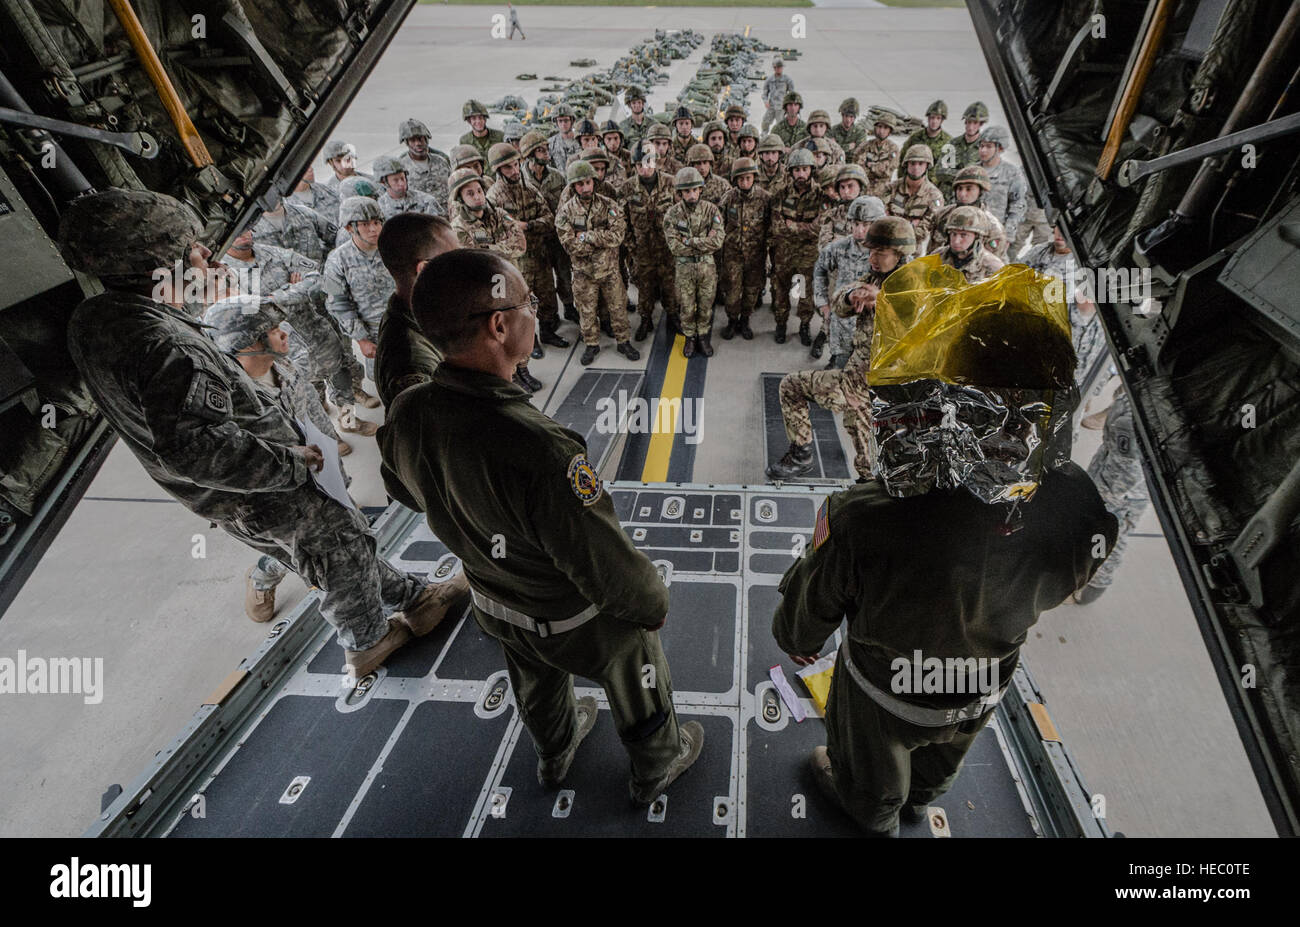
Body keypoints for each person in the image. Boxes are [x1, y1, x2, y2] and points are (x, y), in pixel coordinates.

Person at [58, 189, 466, 675]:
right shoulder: (163, 346)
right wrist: (294, 460)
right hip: (267, 486)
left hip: (234, 495)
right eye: (192, 249)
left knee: (334, 551)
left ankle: (410, 596)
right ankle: (369, 641)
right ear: (157, 264)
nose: (207, 255)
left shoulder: (98, 320)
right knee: (341, 544)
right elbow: (194, 449)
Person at [772, 294, 1117, 836]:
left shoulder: (866, 514)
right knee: (942, 763)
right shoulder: (1079, 509)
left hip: (886, 696)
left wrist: (798, 636)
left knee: (871, 782)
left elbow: (808, 613)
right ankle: (922, 797)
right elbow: (1066, 584)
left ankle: (874, 810)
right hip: (982, 688)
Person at [378, 249, 703, 803]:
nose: (534, 311)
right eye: (527, 302)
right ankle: (658, 762)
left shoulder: (408, 412)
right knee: (636, 667)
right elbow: (608, 566)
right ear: (500, 326)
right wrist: (652, 605)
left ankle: (554, 753)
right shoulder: (540, 449)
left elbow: (401, 488)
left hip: (495, 604)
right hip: (572, 616)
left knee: (534, 677)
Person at [769, 215, 914, 482]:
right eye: (871, 251)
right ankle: (862, 475)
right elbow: (839, 303)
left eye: (880, 252)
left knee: (792, 386)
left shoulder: (915, 286)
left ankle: (806, 457)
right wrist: (852, 297)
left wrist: (883, 301)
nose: (872, 257)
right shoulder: (875, 277)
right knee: (859, 434)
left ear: (899, 254)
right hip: (857, 378)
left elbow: (921, 319)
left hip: (880, 385)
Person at [220, 220, 376, 438]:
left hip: (316, 330)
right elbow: (244, 309)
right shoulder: (224, 273)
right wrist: (292, 289)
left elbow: (315, 276)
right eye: (238, 231)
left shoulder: (273, 253)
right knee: (309, 391)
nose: (245, 233)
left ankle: (348, 420)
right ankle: (331, 435)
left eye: (247, 228)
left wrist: (277, 296)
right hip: (281, 344)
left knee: (341, 377)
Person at [447, 167, 541, 393]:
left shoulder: (499, 214)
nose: (478, 196)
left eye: (479, 190)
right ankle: (510, 375)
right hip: (489, 294)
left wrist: (490, 249)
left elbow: (520, 245)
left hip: (514, 284)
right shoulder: (458, 228)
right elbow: (475, 260)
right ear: (460, 198)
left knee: (522, 327)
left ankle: (524, 369)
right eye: (470, 193)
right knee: (501, 334)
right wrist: (501, 249)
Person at [554, 160, 640, 365]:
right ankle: (591, 344)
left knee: (618, 307)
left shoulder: (609, 205)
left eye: (588, 182)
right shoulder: (566, 212)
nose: (585, 187)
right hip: (584, 273)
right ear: (573, 186)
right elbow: (569, 244)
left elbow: (618, 235)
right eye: (580, 184)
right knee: (586, 311)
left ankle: (623, 341)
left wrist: (586, 236)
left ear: (593, 181)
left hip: (610, 270)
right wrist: (599, 242)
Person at [487, 142, 569, 350]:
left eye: (516, 165)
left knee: (548, 298)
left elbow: (549, 219)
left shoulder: (530, 190)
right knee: (524, 304)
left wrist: (528, 225)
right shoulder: (493, 198)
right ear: (498, 170)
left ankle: (548, 332)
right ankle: (531, 342)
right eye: (508, 167)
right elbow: (495, 235)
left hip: (540, 256)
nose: (515, 171)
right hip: (517, 263)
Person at [374, 213, 461, 407]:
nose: (463, 268)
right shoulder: (411, 365)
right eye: (455, 260)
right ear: (424, 270)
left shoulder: (422, 313)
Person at [1075, 389, 1147, 603]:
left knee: (1108, 528)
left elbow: (1127, 472)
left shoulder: (1140, 417)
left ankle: (1095, 581)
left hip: (1120, 486)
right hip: (1110, 463)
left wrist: (1102, 497)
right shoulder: (1138, 397)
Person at [323, 196, 394, 393]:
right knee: (388, 384)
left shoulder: (394, 247)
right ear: (349, 228)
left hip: (407, 325)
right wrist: (361, 339)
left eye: (377, 222)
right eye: (365, 224)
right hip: (374, 336)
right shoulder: (336, 261)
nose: (374, 229)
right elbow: (337, 303)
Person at [813, 195, 884, 369]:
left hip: (873, 329)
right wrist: (822, 302)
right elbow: (820, 269)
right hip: (843, 324)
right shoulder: (838, 248)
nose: (860, 230)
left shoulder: (888, 253)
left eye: (866, 225)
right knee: (841, 366)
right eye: (856, 224)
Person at [663, 167, 725, 357]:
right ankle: (690, 337)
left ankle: (703, 336)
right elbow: (674, 246)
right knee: (687, 306)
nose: (691, 195)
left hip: (707, 267)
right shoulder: (672, 215)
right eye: (687, 191)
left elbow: (717, 241)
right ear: (680, 193)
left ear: (700, 190)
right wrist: (703, 241)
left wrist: (689, 241)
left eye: (695, 190)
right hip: (684, 268)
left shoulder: (711, 210)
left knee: (706, 305)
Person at [619, 144, 679, 342]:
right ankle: (645, 320)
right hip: (642, 251)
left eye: (649, 162)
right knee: (645, 289)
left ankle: (673, 316)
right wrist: (632, 247)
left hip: (667, 249)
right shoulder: (628, 188)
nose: (645, 168)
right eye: (640, 164)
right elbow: (622, 221)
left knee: (670, 287)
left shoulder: (671, 183)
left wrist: (677, 242)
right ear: (635, 166)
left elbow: (682, 214)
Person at [769, 148, 823, 346]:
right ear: (790, 172)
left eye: (805, 169)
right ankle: (781, 324)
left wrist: (792, 225)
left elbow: (819, 228)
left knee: (803, 291)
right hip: (784, 252)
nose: (801, 174)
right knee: (781, 289)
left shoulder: (820, 196)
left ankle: (804, 324)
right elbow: (777, 227)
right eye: (797, 170)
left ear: (811, 170)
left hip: (808, 254)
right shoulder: (780, 195)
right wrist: (804, 228)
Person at [718, 157, 771, 341]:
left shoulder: (765, 198)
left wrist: (769, 255)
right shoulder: (728, 198)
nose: (744, 182)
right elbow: (719, 226)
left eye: (748, 178)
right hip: (733, 255)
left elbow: (770, 226)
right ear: (735, 180)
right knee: (732, 291)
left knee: (751, 291)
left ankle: (745, 320)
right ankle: (732, 320)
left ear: (754, 178)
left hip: (756, 256)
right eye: (740, 179)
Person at [928, 164, 1006, 258]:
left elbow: (992, 265)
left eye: (969, 189)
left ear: (980, 191)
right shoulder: (941, 215)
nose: (962, 194)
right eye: (959, 188)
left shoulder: (993, 228)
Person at [885, 145, 945, 254]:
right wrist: (912, 224)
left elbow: (925, 230)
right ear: (906, 164)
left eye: (921, 164)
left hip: (912, 250)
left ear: (927, 166)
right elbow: (882, 218)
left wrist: (897, 225)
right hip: (887, 245)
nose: (916, 167)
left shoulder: (934, 196)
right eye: (912, 163)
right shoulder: (891, 188)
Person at [976, 126, 1027, 251]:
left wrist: (1008, 235)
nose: (983, 150)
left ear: (1000, 148)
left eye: (988, 147)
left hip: (995, 235)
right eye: (981, 146)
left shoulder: (1011, 173)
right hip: (971, 231)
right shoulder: (972, 170)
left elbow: (1017, 205)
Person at [934, 206, 1004, 284]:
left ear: (977, 237)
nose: (956, 241)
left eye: (963, 235)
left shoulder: (992, 267)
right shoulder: (937, 256)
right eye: (953, 234)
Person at [397, 118, 452, 212]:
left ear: (427, 140)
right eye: (412, 140)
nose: (418, 144)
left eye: (421, 139)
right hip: (420, 221)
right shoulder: (401, 167)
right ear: (407, 143)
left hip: (445, 217)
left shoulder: (441, 162)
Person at [900, 100, 952, 187]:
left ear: (942, 120)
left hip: (936, 187)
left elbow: (948, 172)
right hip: (913, 183)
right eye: (932, 117)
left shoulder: (948, 142)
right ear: (928, 118)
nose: (934, 121)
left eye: (938, 118)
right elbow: (903, 161)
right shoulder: (915, 138)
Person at [373, 156, 443, 220]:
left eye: (402, 178)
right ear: (384, 182)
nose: (401, 183)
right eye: (395, 180)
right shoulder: (379, 208)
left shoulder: (426, 201)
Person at [853, 111, 900, 199]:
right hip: (863, 191)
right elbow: (858, 169)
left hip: (883, 193)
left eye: (885, 128)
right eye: (879, 127)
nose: (881, 131)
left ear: (890, 130)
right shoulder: (865, 146)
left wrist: (870, 165)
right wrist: (878, 167)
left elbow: (887, 172)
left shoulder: (893, 149)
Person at [460, 99, 505, 167]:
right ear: (469, 121)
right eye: (474, 118)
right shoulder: (465, 141)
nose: (478, 121)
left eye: (480, 117)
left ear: (485, 119)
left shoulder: (500, 136)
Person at [761, 57, 795, 134]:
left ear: (782, 68)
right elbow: (764, 93)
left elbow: (792, 94)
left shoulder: (787, 80)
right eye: (776, 67)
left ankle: (781, 138)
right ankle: (764, 135)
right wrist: (766, 102)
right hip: (771, 106)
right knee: (765, 121)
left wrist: (789, 105)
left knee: (781, 124)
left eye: (780, 67)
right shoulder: (769, 80)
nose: (778, 69)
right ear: (774, 68)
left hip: (781, 107)